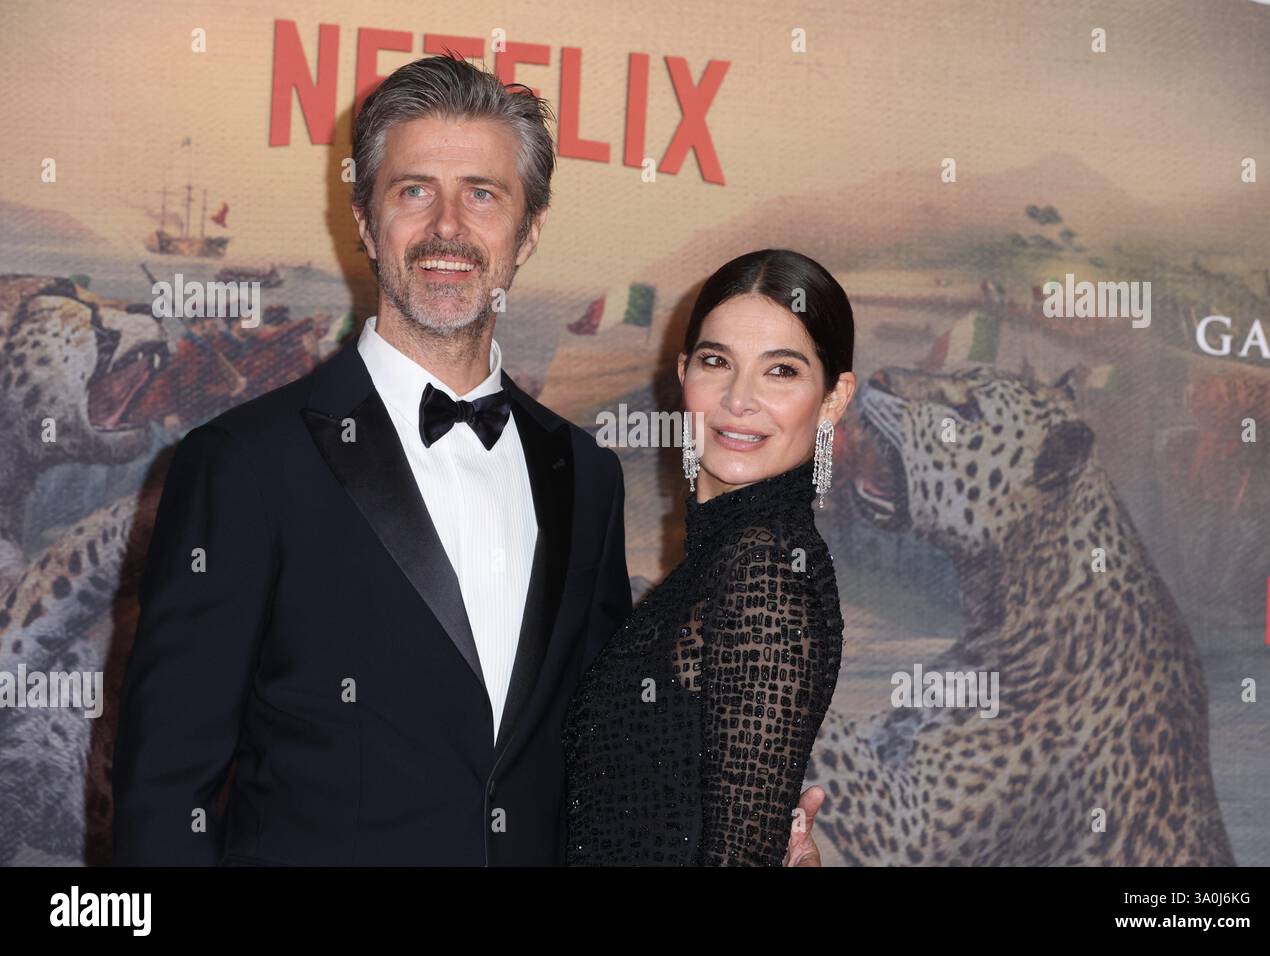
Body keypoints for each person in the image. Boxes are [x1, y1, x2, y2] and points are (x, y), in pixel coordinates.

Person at [112, 55, 828, 866]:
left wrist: (748, 833)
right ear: (362, 217)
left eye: (482, 195)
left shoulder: (583, 475)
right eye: (414, 190)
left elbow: (600, 750)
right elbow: (166, 794)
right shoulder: (241, 466)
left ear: (527, 231)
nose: (447, 227)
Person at [564, 249, 855, 865]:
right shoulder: (715, 563)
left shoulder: (766, 568)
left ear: (833, 399)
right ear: (683, 374)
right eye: (717, 362)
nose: (739, 399)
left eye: (782, 371)